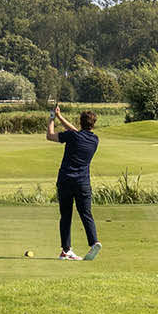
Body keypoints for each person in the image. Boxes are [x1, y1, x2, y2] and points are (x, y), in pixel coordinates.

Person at [46, 104, 101, 261]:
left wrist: (52, 118)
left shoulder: (72, 136)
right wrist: (60, 117)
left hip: (65, 180)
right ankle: (94, 242)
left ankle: (66, 250)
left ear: (81, 122)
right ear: (93, 124)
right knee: (86, 213)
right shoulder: (94, 140)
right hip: (82, 183)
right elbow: (77, 132)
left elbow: (50, 135)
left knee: (66, 216)